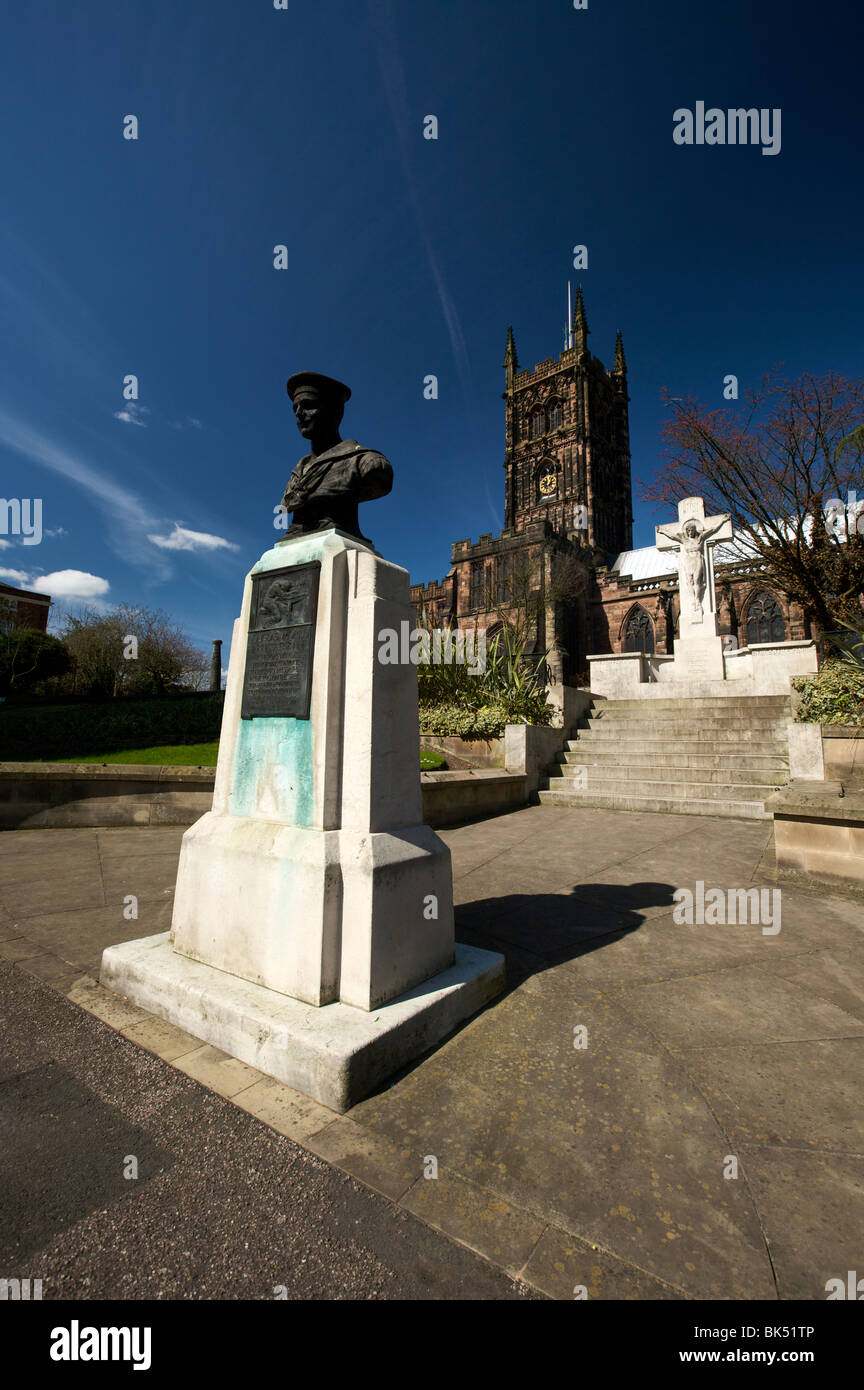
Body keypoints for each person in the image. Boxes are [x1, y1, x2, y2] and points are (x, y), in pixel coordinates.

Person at [280, 372, 393, 545]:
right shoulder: (297, 474)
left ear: (335, 411)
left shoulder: (366, 462)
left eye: (308, 405)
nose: (299, 413)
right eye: (295, 408)